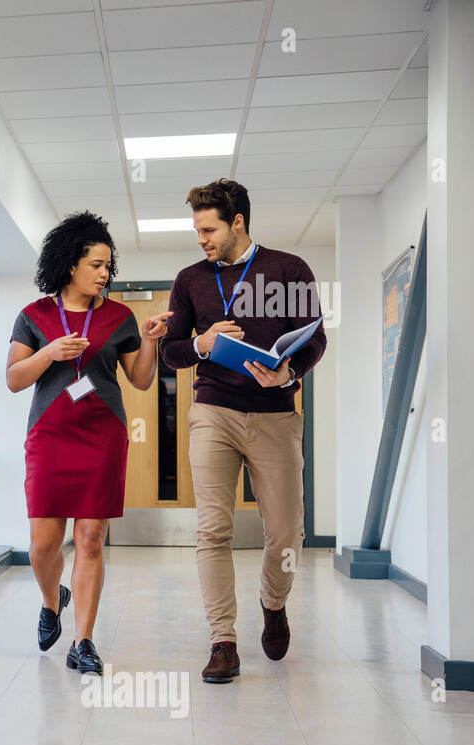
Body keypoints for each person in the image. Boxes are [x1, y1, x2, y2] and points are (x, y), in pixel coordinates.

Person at [160, 178, 327, 683]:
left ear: (238, 223)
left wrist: (289, 372)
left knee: (285, 534)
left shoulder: (289, 269)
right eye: (196, 230)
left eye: (208, 229)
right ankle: (222, 641)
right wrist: (202, 343)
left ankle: (273, 604)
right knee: (213, 529)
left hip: (275, 414)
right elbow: (171, 352)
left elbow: (315, 339)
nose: (201, 239)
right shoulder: (190, 278)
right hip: (213, 411)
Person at [7, 211, 169, 673]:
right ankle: (51, 598)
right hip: (49, 437)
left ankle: (82, 642)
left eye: (108, 266)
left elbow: (139, 380)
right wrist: (48, 353)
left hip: (102, 435)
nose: (104, 273)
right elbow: (14, 379)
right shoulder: (34, 316)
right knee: (42, 545)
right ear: (70, 264)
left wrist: (152, 341)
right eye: (96, 264)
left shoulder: (120, 317)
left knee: (91, 538)